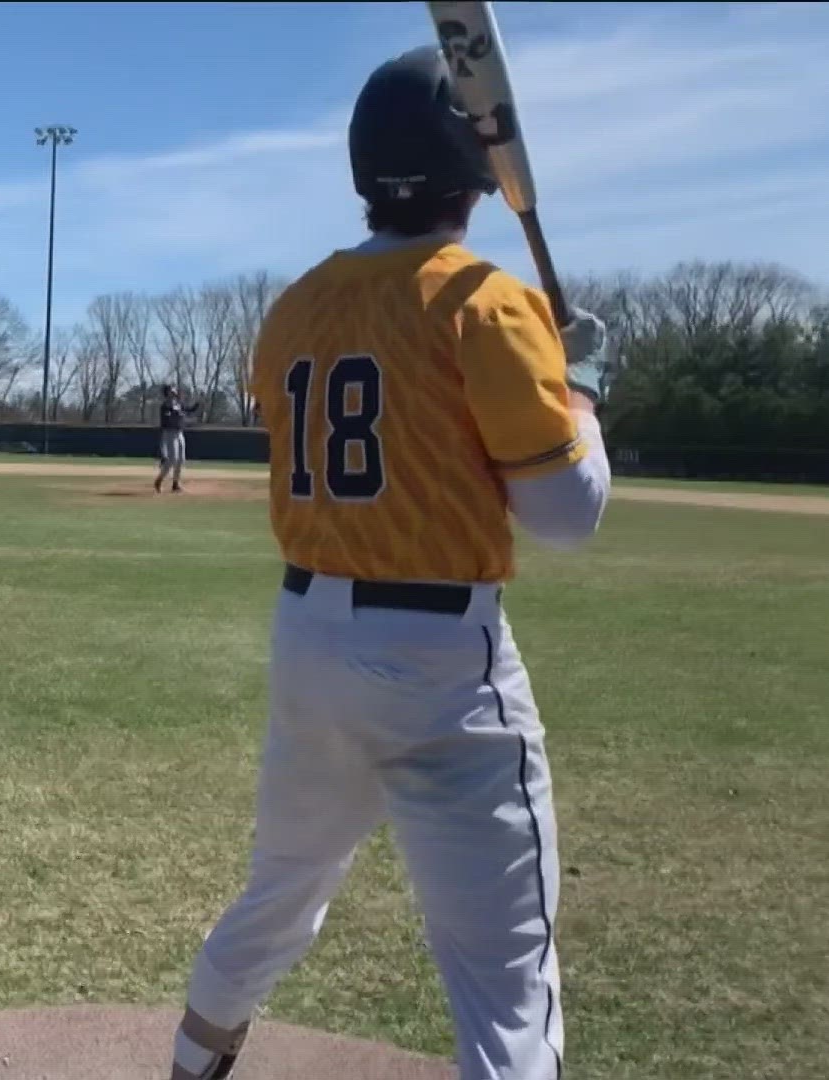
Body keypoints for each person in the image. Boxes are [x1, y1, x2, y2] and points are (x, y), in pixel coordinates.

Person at [167, 46, 612, 1080]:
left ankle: (191, 1067)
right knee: (506, 977)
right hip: (442, 665)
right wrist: (581, 392)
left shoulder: (294, 310)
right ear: (472, 169)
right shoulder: (486, 304)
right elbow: (566, 514)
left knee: (280, 888)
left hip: (309, 641)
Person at [154, 384, 202, 493]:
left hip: (179, 433)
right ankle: (159, 480)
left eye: (174, 389)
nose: (175, 391)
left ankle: (175, 484)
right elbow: (168, 419)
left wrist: (198, 403)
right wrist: (178, 413)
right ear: (167, 393)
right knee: (172, 460)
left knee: (181, 460)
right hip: (170, 433)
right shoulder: (165, 406)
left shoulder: (179, 404)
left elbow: (190, 410)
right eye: (172, 390)